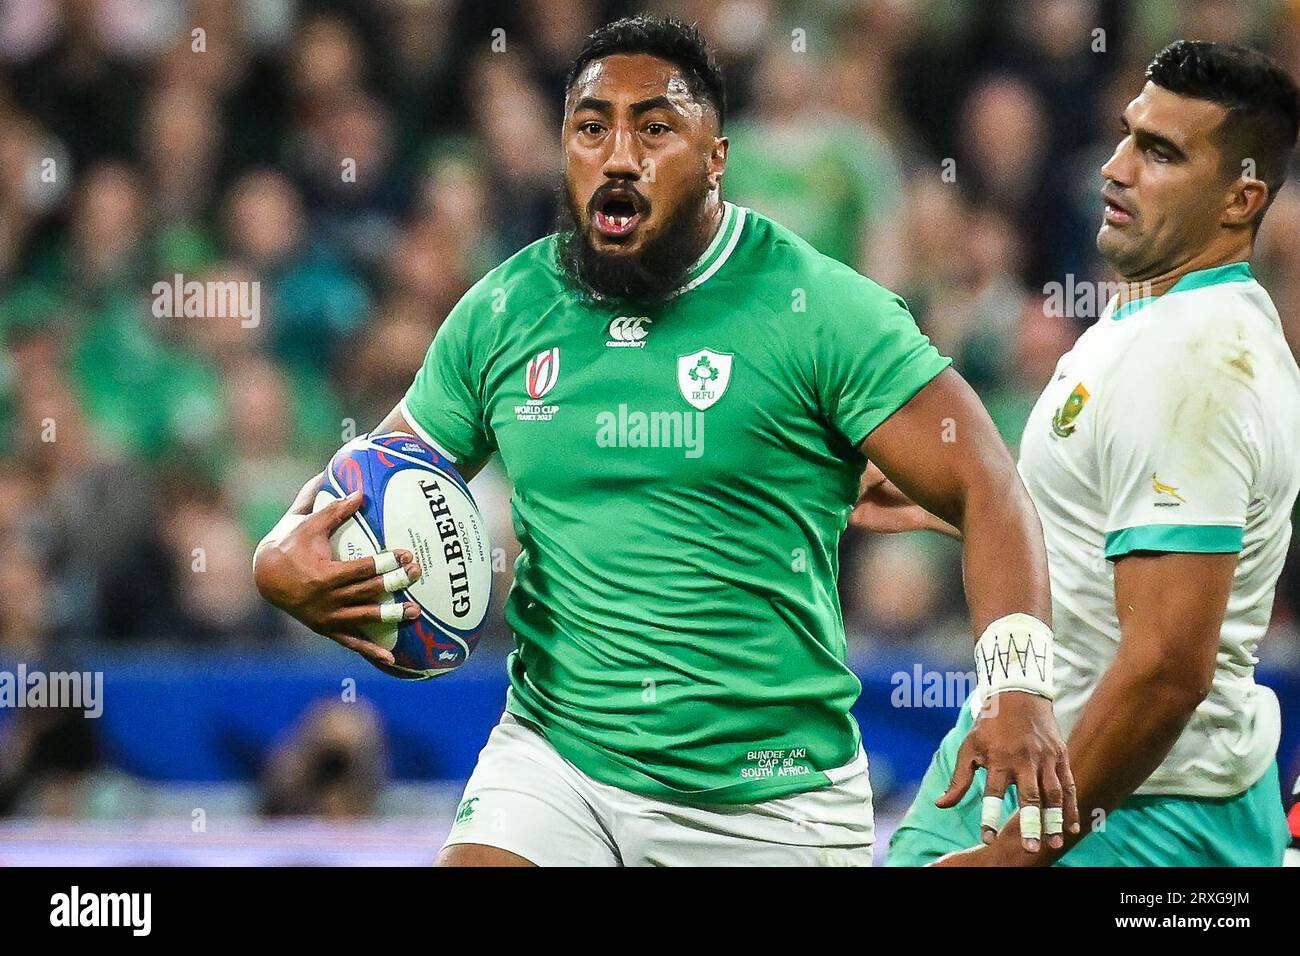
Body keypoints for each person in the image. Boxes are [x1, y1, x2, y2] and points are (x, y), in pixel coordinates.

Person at [254, 15, 1075, 866]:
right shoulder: (506, 310)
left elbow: (989, 485)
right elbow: (369, 480)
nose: (617, 155)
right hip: (555, 761)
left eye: (654, 128)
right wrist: (279, 563)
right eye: (590, 127)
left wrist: (1016, 688)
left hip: (768, 793)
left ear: (716, 158)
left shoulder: (820, 308)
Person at [863, 40, 1300, 866]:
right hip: (1045, 766)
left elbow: (1168, 668)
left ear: (1241, 199)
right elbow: (1105, 524)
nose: (1117, 167)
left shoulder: (1194, 362)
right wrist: (959, 503)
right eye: (1129, 134)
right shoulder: (1162, 316)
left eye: (1161, 152)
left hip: (1120, 810)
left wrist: (1019, 855)